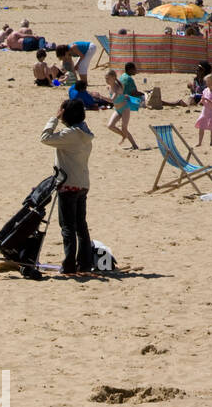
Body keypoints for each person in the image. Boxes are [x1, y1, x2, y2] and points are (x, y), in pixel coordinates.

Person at [42, 98, 94, 276]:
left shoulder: (70, 134)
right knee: (81, 225)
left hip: (69, 185)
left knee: (68, 227)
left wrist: (54, 118)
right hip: (82, 183)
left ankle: (70, 264)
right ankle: (85, 263)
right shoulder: (85, 131)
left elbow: (45, 137)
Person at [105, 66, 141, 150]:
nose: (106, 80)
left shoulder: (118, 87)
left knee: (124, 128)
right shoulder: (109, 87)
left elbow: (112, 100)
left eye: (108, 78)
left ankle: (134, 145)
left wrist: (100, 96)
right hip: (117, 109)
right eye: (105, 78)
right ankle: (123, 135)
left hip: (125, 109)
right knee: (110, 126)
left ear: (113, 78)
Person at [195, 72, 212, 146]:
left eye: (210, 82)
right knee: (201, 126)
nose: (208, 84)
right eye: (207, 82)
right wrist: (201, 101)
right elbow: (203, 98)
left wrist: (207, 100)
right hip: (205, 111)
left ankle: (211, 142)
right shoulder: (206, 90)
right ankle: (199, 142)